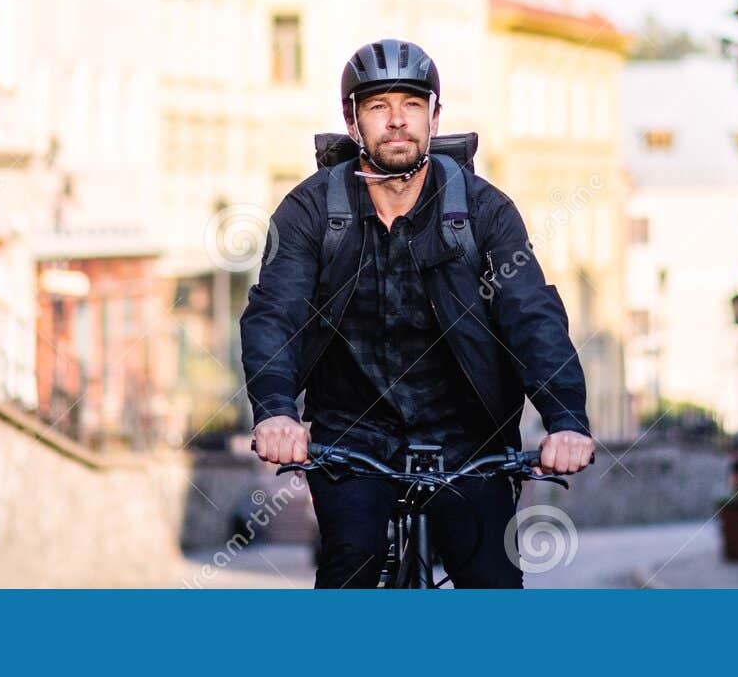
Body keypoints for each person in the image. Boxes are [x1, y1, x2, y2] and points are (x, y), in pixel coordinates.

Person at [241, 38, 595, 588]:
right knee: (350, 565)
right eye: (378, 106)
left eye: (412, 104)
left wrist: (566, 419)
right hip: (351, 437)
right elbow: (274, 314)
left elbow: (531, 316)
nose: (397, 121)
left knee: (493, 585)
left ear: (434, 116)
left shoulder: (483, 211)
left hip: (469, 438)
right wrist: (276, 412)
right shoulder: (311, 211)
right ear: (352, 122)